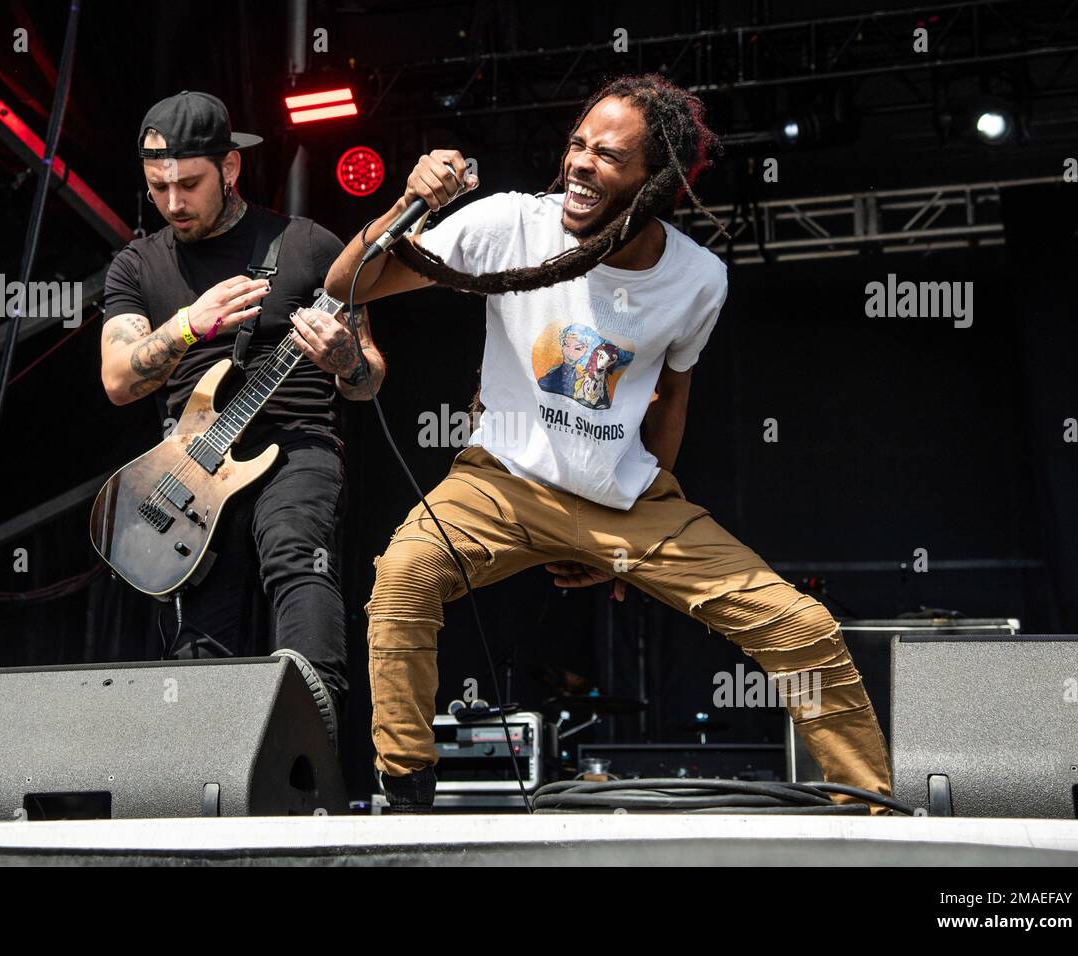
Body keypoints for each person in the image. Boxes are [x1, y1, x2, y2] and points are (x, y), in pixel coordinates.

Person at [326, 73, 892, 811]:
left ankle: (873, 810)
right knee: (403, 577)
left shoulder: (698, 277)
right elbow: (349, 282)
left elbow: (671, 396)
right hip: (501, 482)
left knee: (800, 625)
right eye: (576, 144)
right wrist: (411, 203)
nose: (580, 163)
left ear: (654, 181)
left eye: (608, 154)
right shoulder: (510, 225)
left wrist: (636, 534)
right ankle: (406, 792)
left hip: (624, 497)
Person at [100, 91, 385, 746]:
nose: (173, 203)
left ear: (230, 168)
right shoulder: (138, 265)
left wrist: (344, 359)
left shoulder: (308, 246)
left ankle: (309, 742)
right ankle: (203, 767)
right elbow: (117, 380)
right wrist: (186, 326)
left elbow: (368, 380)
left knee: (294, 551)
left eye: (190, 184)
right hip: (189, 467)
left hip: (296, 443)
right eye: (158, 188)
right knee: (200, 620)